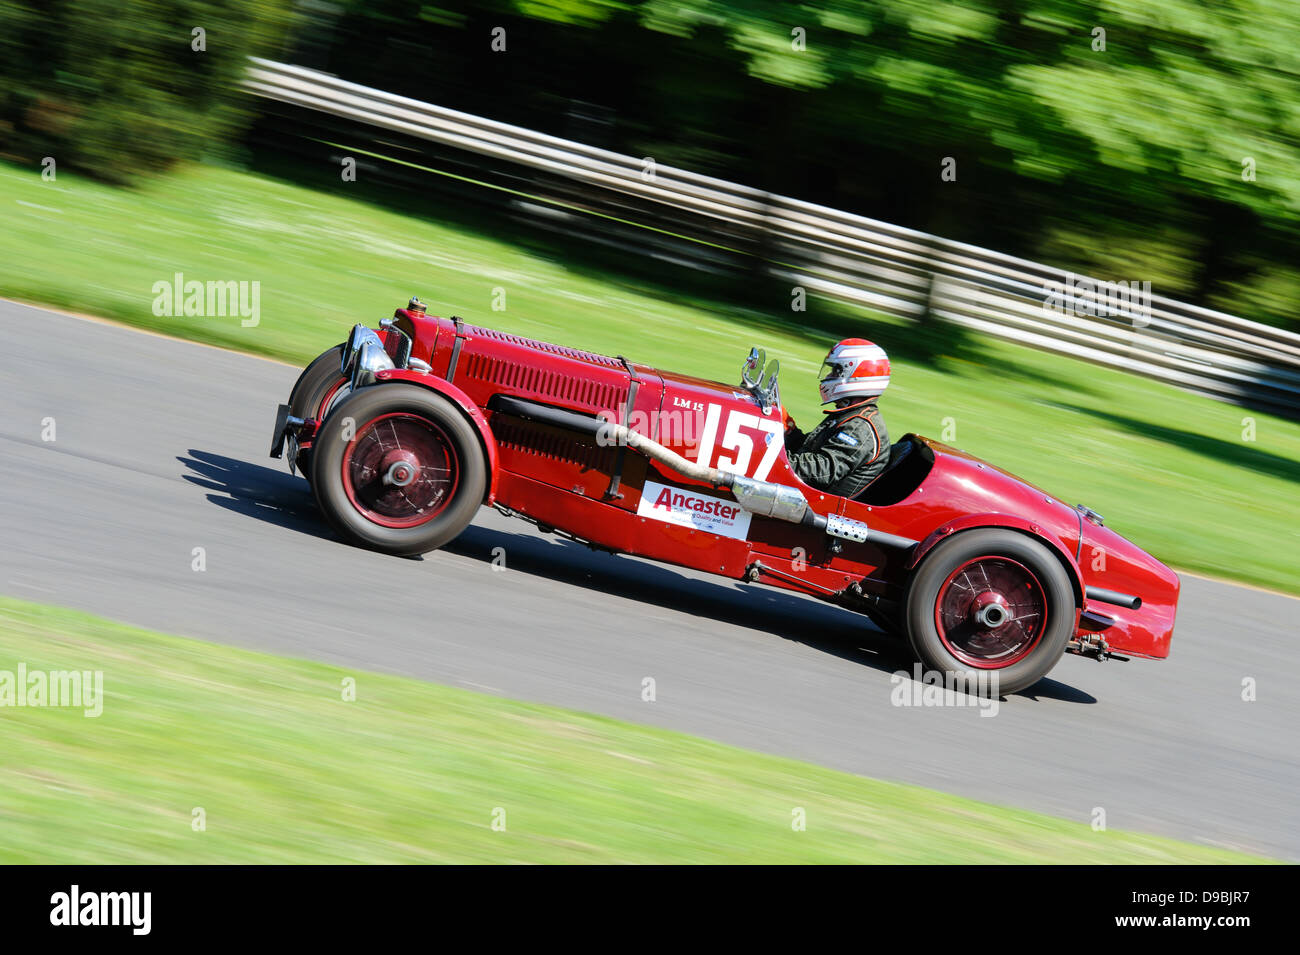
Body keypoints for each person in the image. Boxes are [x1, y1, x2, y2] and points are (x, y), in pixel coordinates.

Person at [784, 338, 891, 496]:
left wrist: (774, 457)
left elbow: (820, 472)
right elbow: (809, 451)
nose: (829, 375)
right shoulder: (849, 413)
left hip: (815, 509)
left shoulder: (859, 428)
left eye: (836, 371)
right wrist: (788, 430)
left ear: (856, 375)